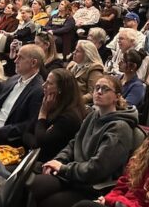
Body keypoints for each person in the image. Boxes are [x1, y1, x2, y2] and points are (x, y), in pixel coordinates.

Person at [30, 76, 138, 207]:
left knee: (49, 203)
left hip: (90, 186)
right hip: (71, 175)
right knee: (31, 187)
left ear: (117, 96)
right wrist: (58, 161)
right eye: (96, 88)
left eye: (105, 89)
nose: (98, 92)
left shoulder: (119, 128)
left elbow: (97, 168)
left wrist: (63, 169)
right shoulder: (92, 115)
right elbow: (74, 143)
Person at [0, 44, 44, 152]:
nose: (15, 61)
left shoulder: (39, 89)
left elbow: (29, 124)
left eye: (20, 57)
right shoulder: (13, 80)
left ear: (33, 63)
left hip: (4, 139)